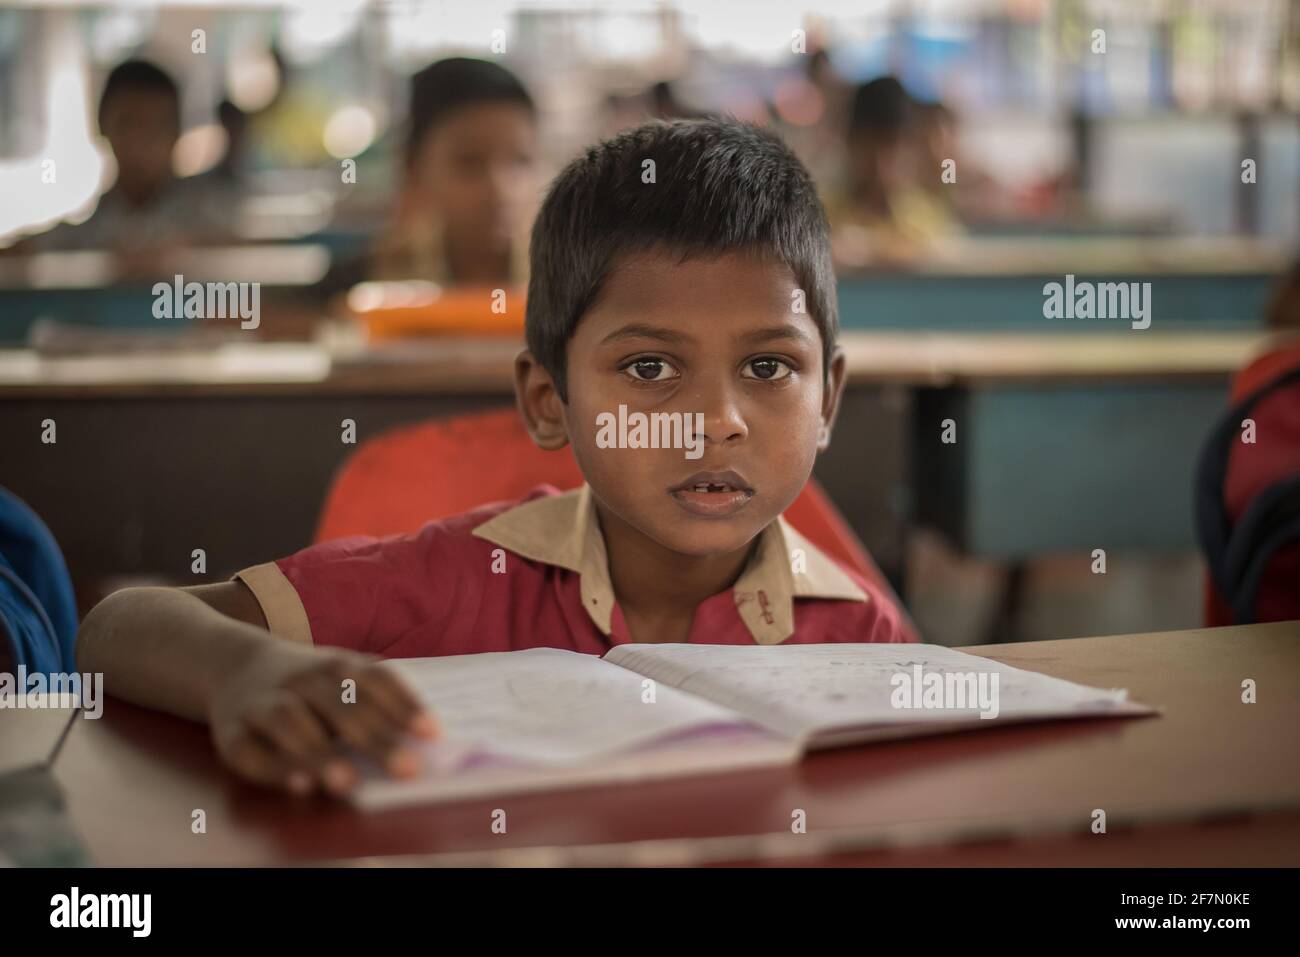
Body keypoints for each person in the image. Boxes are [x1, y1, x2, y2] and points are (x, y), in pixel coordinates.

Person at [77, 119, 911, 797]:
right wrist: (246, 671)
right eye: (650, 368)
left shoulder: (861, 632)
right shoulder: (457, 578)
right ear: (550, 402)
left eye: (769, 367)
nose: (715, 422)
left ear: (827, 398)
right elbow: (118, 626)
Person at [32, 59, 228, 253]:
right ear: (102, 125)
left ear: (175, 132)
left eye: (155, 127)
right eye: (127, 125)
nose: (139, 142)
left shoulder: (215, 232)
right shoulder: (80, 239)